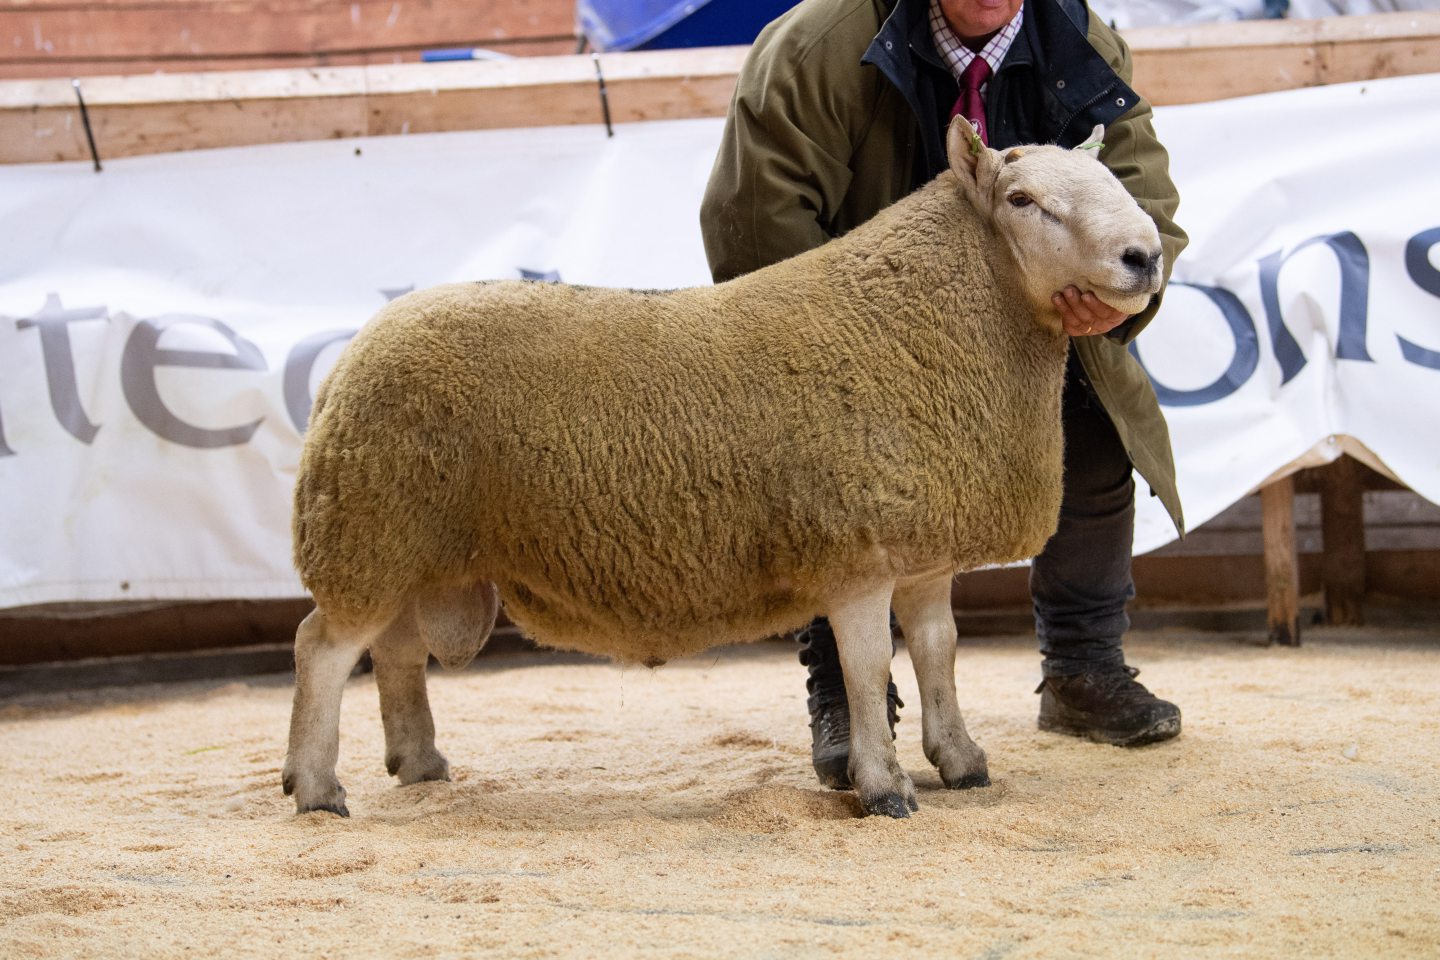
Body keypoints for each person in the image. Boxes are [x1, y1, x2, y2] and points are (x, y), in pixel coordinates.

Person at [699, 0, 1189, 788]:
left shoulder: (1078, 41)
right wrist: (853, 348)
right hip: (855, 342)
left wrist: (1120, 300)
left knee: (1095, 437)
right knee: (842, 493)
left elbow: (1140, 197)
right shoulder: (818, 46)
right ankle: (843, 690)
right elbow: (756, 215)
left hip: (1037, 321)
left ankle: (1083, 667)